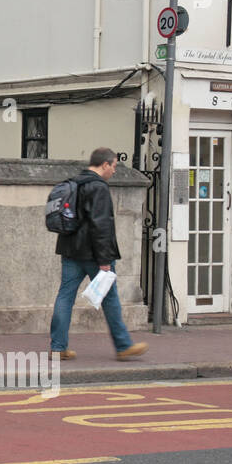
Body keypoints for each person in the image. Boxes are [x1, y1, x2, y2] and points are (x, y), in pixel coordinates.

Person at [50, 147, 148, 362]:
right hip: (94, 254)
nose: (114, 171)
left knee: (65, 296)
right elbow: (101, 225)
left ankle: (58, 348)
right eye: (113, 166)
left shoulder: (74, 183)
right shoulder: (99, 188)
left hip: (70, 251)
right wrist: (104, 260)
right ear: (104, 164)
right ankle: (123, 346)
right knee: (110, 298)